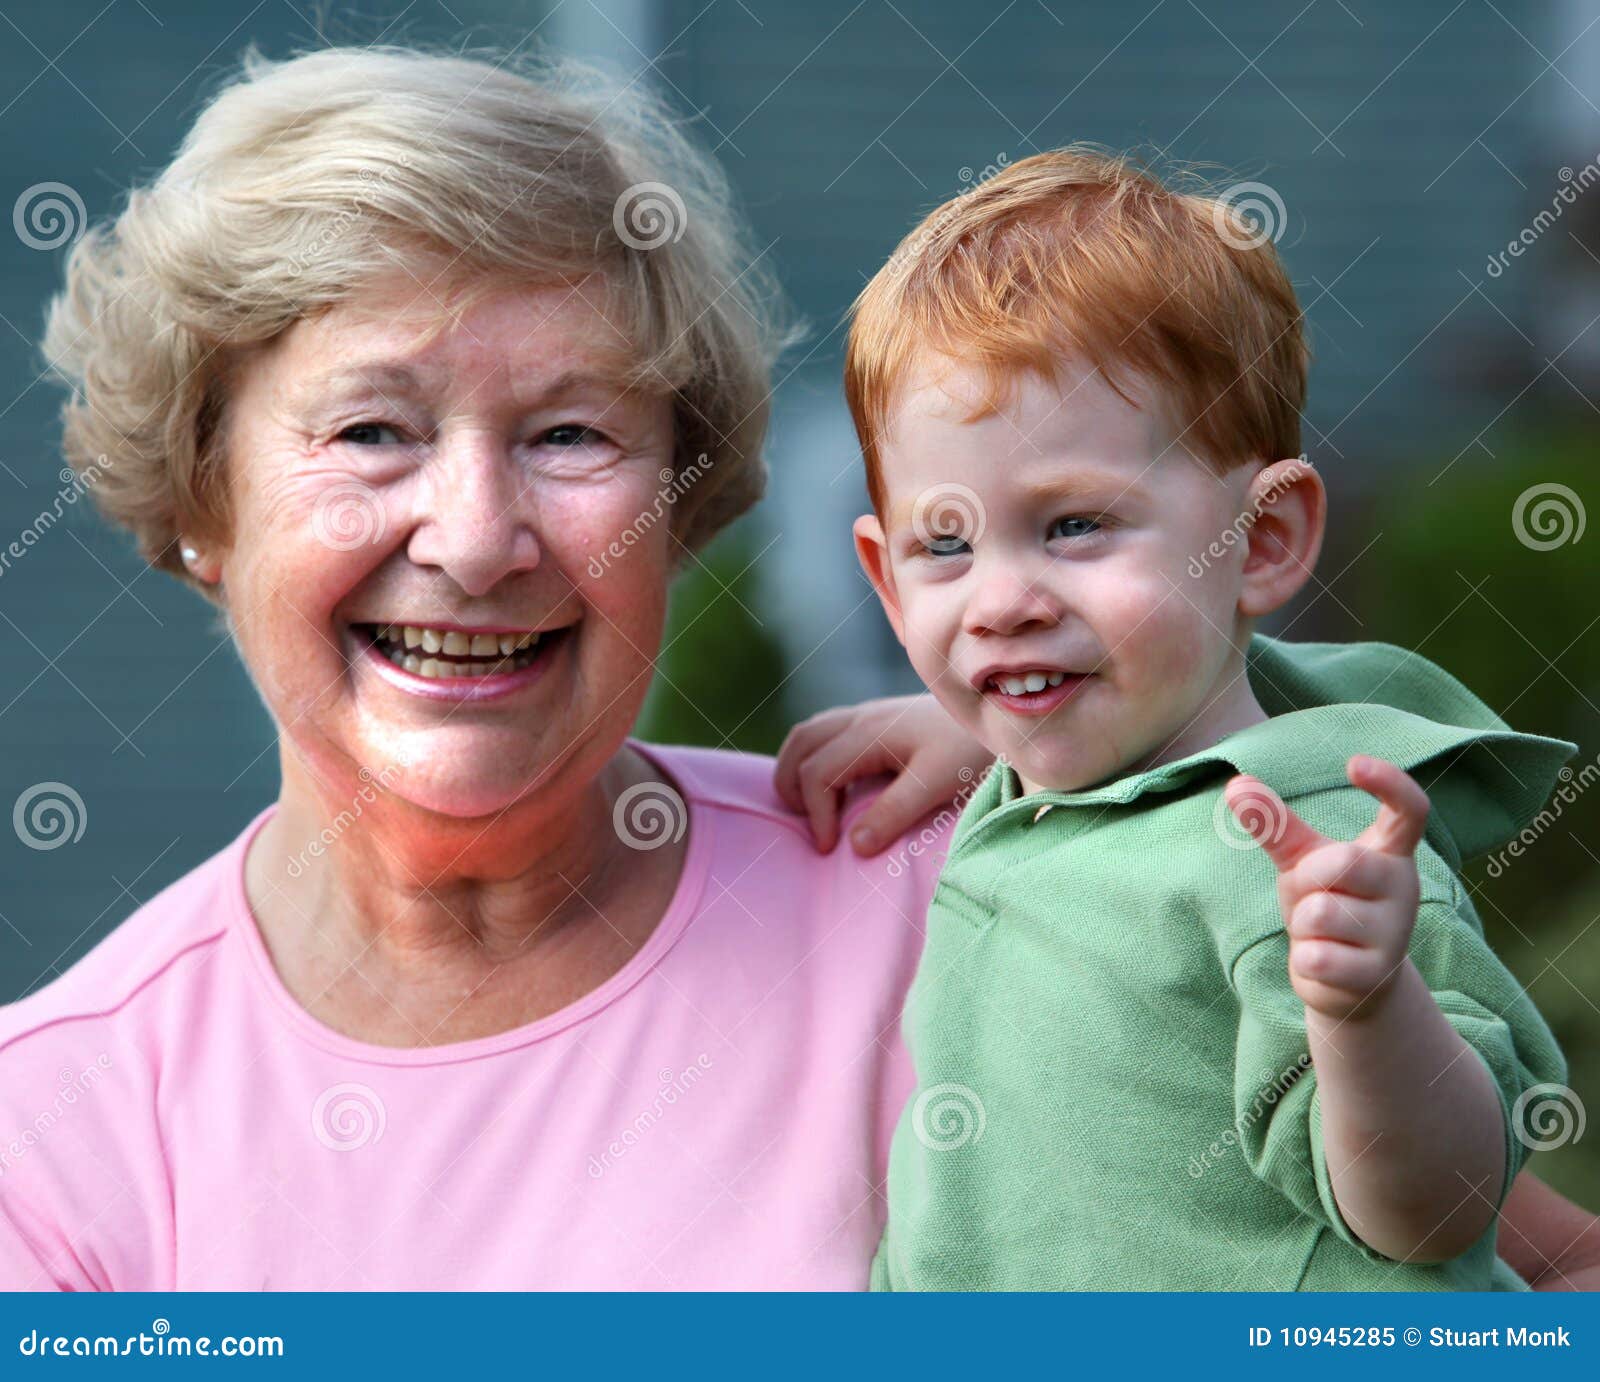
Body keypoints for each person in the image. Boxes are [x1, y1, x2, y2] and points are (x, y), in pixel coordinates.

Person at [2, 44, 1594, 1292]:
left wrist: (1085, 757)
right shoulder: (57, 1141)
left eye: (571, 433)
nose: (477, 537)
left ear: (677, 507)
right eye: (370, 431)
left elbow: (1508, 1262)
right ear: (205, 502)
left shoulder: (980, 875)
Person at [835, 144, 1575, 1289]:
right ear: (886, 581)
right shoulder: (1051, 791)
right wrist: (980, 725)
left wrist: (1367, 1011)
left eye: (1075, 524)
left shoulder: (1307, 843)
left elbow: (1438, 1207)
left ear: (1261, 540)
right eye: (946, 544)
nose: (1001, 603)